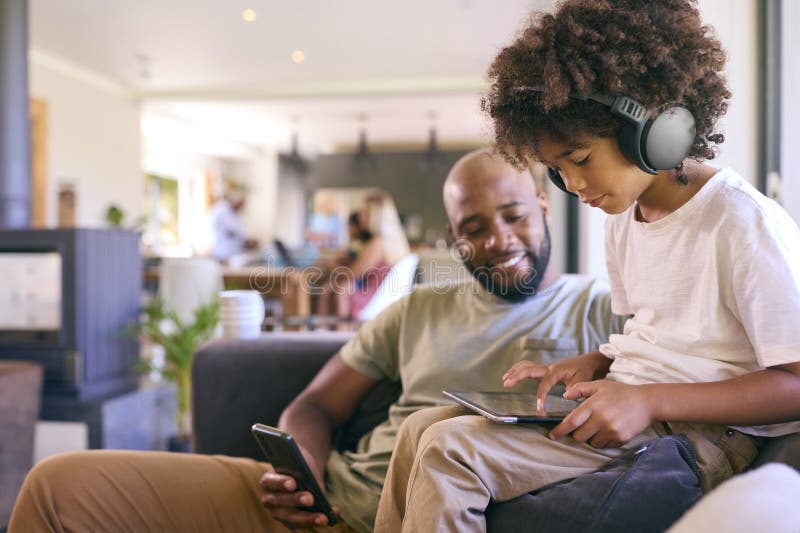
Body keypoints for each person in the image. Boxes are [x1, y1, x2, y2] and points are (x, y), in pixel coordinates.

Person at [8, 150, 625, 533]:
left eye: (513, 214)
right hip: (318, 505)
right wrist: (301, 474)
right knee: (56, 486)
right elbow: (315, 406)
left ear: (543, 206)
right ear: (454, 239)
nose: (498, 238)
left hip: (420, 518)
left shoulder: (603, 310)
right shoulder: (418, 309)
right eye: (473, 227)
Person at [374, 1, 800, 531]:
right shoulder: (624, 215)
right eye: (557, 170)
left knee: (448, 452)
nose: (572, 185)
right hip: (644, 412)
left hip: (701, 438)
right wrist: (593, 361)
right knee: (419, 429)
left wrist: (646, 400)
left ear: (648, 128)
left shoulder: (741, 222)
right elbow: (662, 335)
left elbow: (795, 382)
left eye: (579, 159)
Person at [316, 191, 411, 322]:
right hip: (382, 297)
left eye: (364, 212)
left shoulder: (378, 243)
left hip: (371, 300)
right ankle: (328, 332)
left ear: (375, 215)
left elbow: (353, 273)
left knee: (339, 286)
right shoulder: (394, 241)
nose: (360, 217)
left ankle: (335, 332)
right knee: (337, 286)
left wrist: (333, 266)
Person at [208, 192, 258, 262]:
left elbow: (237, 231)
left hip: (232, 253)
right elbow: (232, 232)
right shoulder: (222, 211)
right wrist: (245, 240)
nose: (240, 208)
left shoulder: (234, 213)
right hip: (222, 253)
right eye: (240, 204)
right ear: (234, 201)